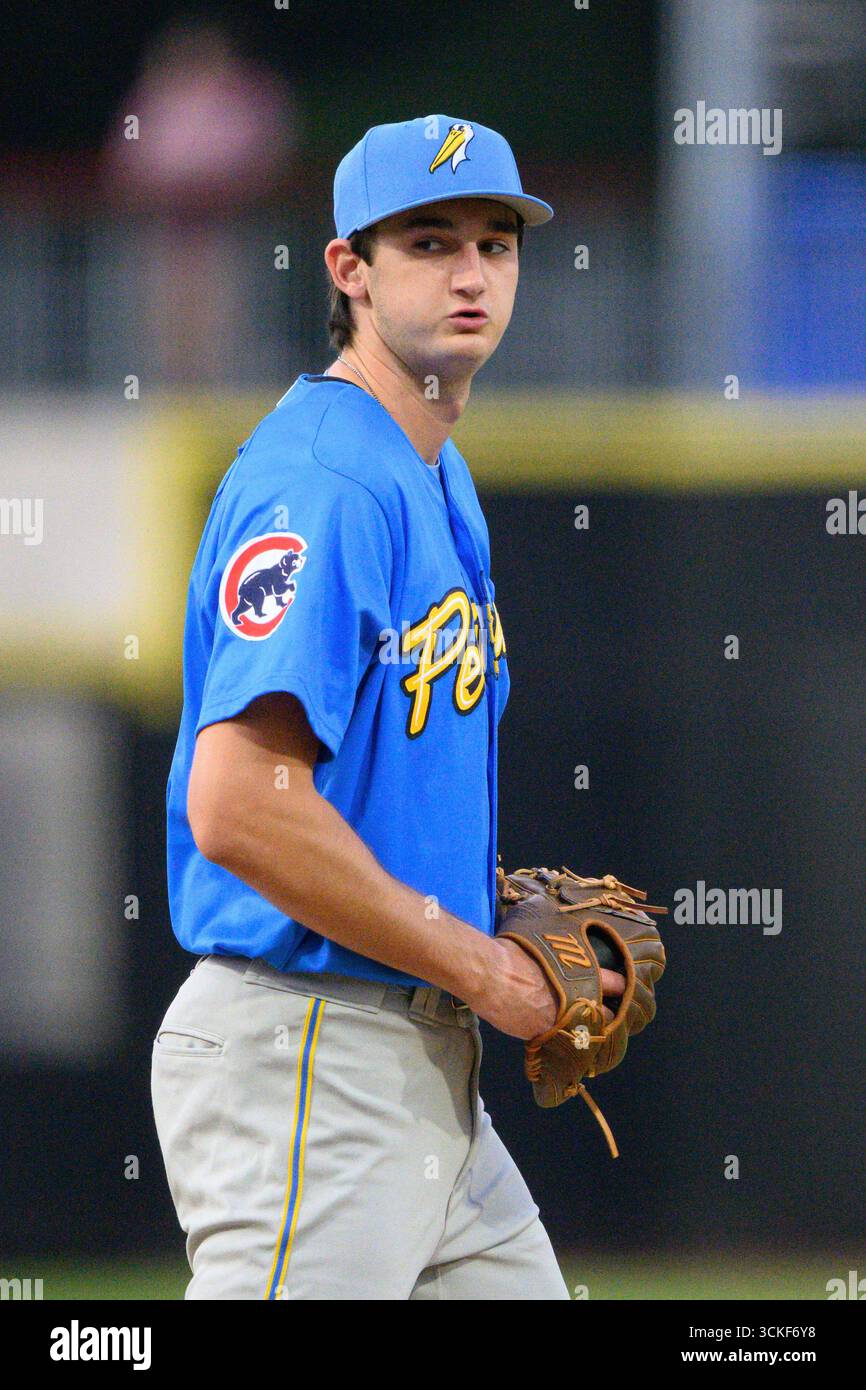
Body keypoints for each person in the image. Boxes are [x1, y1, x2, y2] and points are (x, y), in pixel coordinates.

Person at [151, 114, 626, 1300]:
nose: (470, 272)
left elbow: (365, 770)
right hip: (307, 1049)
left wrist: (471, 900)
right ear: (348, 269)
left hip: (416, 1063)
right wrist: (475, 960)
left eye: (495, 241)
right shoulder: (327, 481)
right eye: (426, 241)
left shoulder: (429, 466)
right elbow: (236, 805)